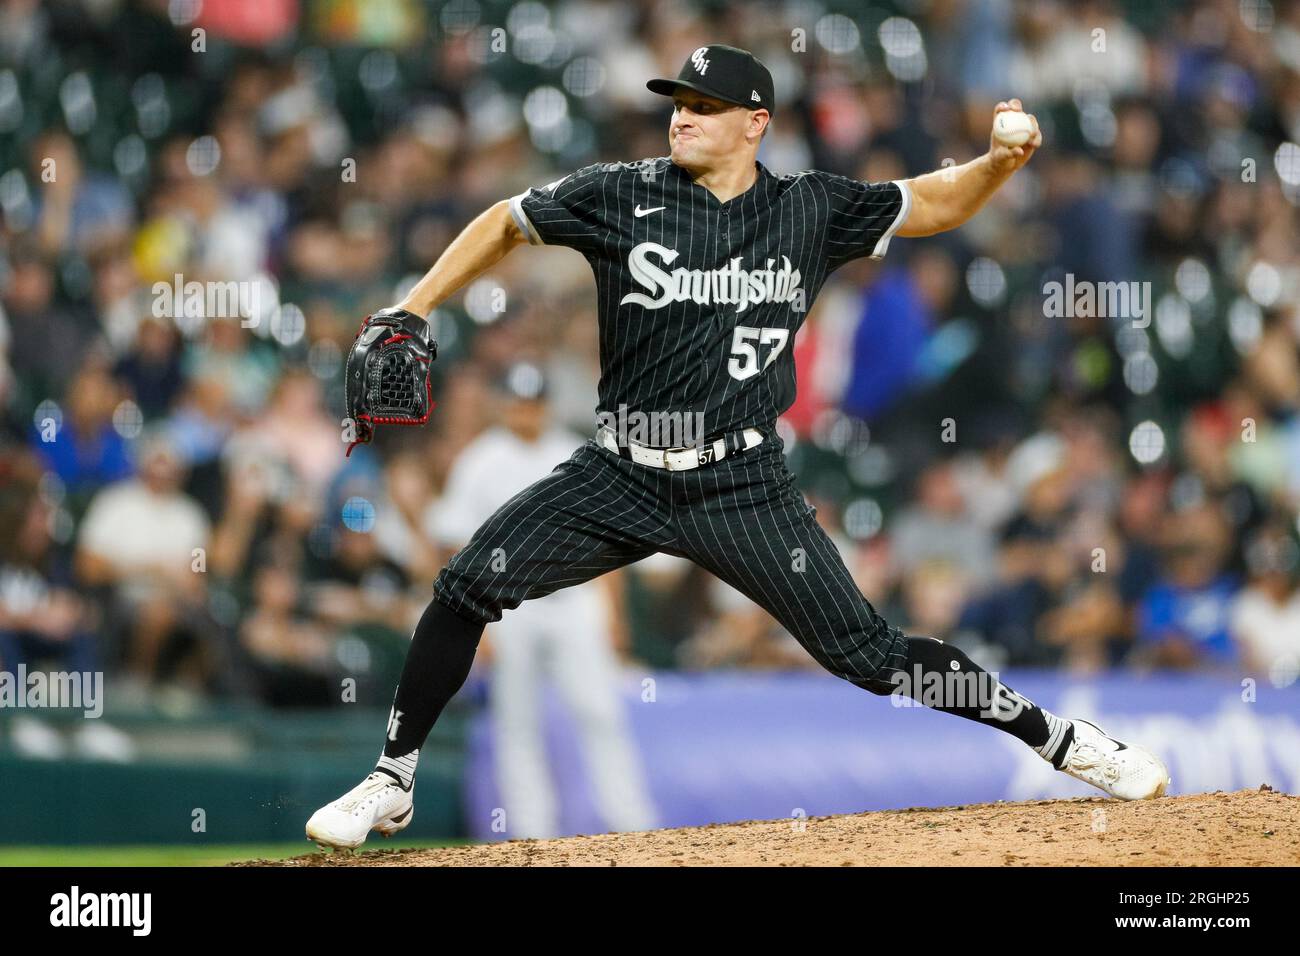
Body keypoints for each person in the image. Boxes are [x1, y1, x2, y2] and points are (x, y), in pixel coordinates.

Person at [307, 45, 1169, 849]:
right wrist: (416, 305)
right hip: (620, 469)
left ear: (756, 122)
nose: (682, 116)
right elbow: (504, 219)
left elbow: (929, 202)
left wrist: (997, 166)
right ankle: (393, 776)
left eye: (706, 105)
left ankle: (1062, 740)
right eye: (678, 101)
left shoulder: (808, 207)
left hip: (740, 483)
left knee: (870, 656)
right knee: (464, 587)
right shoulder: (620, 192)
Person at [427, 362, 656, 838]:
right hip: (511, 608)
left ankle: (631, 823)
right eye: (517, 401)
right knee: (517, 721)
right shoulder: (481, 459)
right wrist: (473, 623)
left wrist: (613, 612)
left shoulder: (574, 453)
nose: (525, 411)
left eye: (533, 403)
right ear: (505, 404)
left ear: (545, 406)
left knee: (599, 709)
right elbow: (452, 544)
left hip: (575, 601)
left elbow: (610, 539)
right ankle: (532, 833)